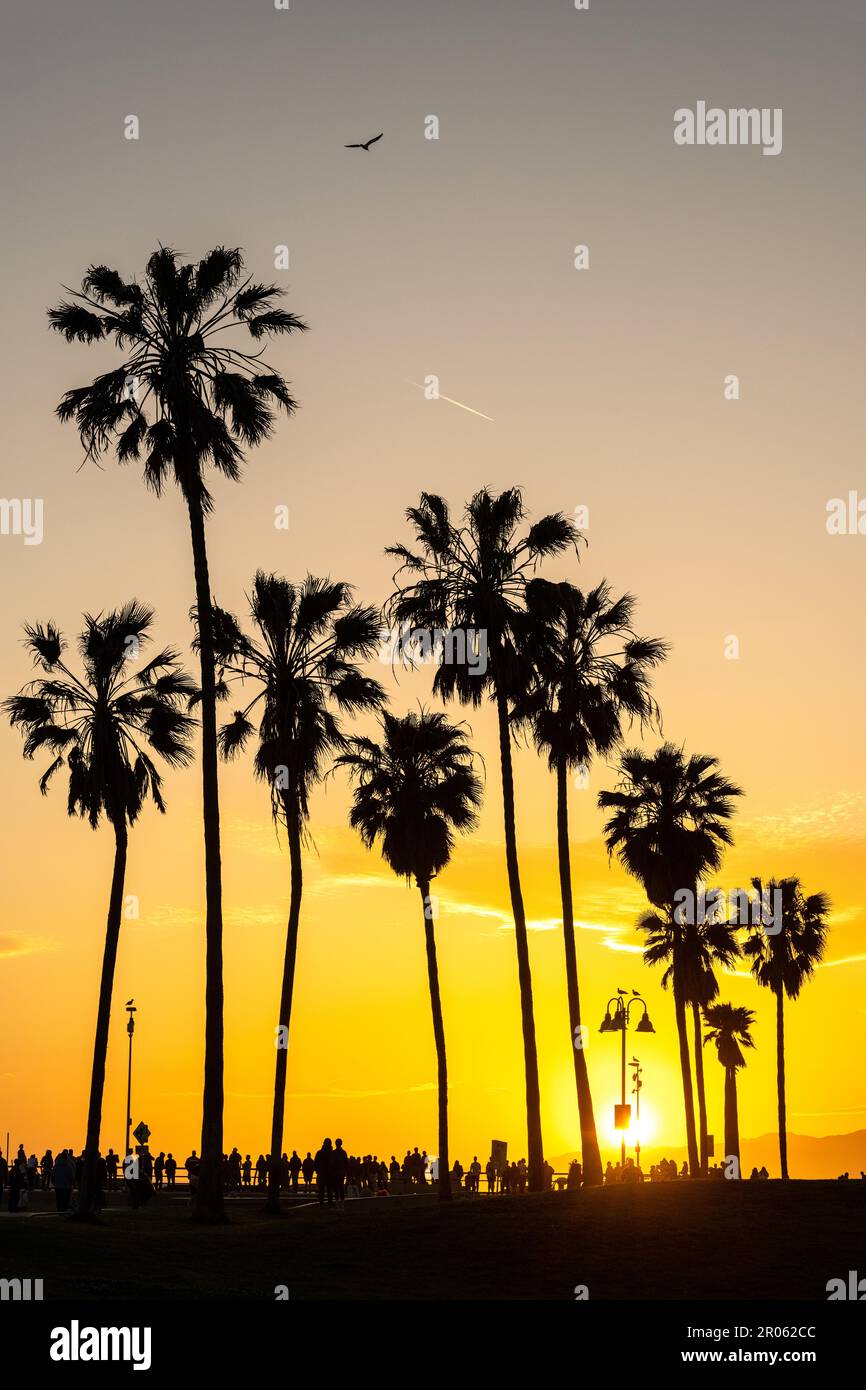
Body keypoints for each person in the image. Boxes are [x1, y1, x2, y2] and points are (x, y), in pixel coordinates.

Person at [53, 1149, 75, 1213]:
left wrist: (54, 1183)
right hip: (67, 1186)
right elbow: (71, 1176)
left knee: (59, 1200)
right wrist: (72, 1183)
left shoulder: (56, 1166)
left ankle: (59, 1211)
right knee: (65, 1200)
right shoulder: (69, 1166)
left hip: (58, 1186)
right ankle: (64, 1212)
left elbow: (53, 1175)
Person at [315, 1138, 334, 1206]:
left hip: (322, 1173)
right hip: (329, 1173)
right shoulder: (332, 1153)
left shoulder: (319, 1152)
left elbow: (316, 1162)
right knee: (329, 1189)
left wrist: (317, 1171)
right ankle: (329, 1202)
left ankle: (321, 1202)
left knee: (322, 1189)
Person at [331, 1138, 349, 1203]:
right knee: (341, 1186)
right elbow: (346, 1163)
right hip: (341, 1172)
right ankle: (342, 1200)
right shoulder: (344, 1153)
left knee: (336, 1187)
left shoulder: (333, 1153)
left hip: (335, 1173)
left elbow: (331, 1163)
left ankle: (337, 1199)